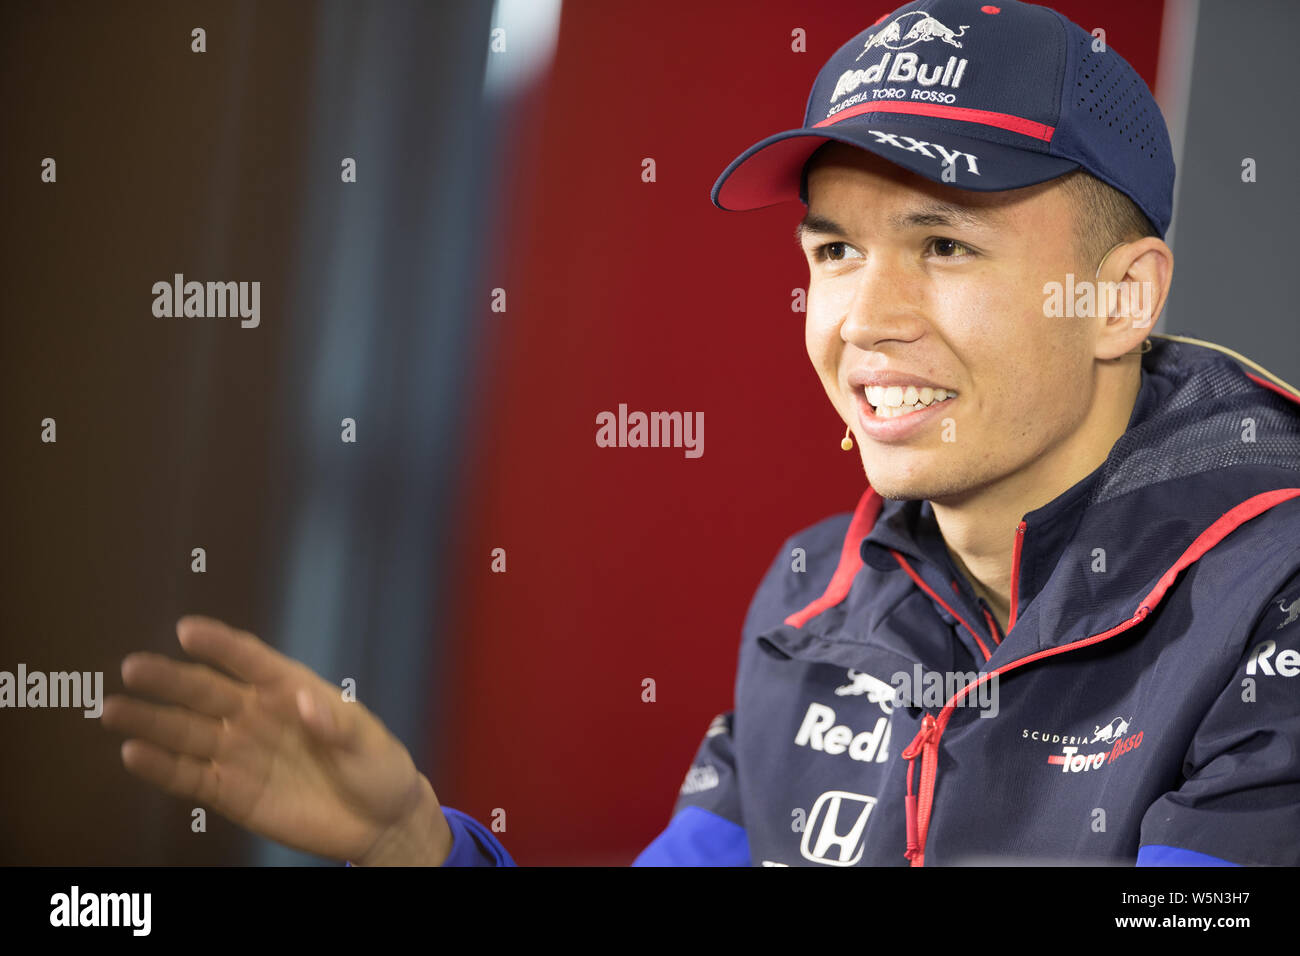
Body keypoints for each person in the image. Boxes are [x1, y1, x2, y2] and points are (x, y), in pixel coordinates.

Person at [101, 0, 1300, 866]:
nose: (863, 322)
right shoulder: (814, 602)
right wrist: (420, 849)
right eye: (833, 250)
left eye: (944, 245)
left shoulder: (1275, 588)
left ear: (1121, 297)